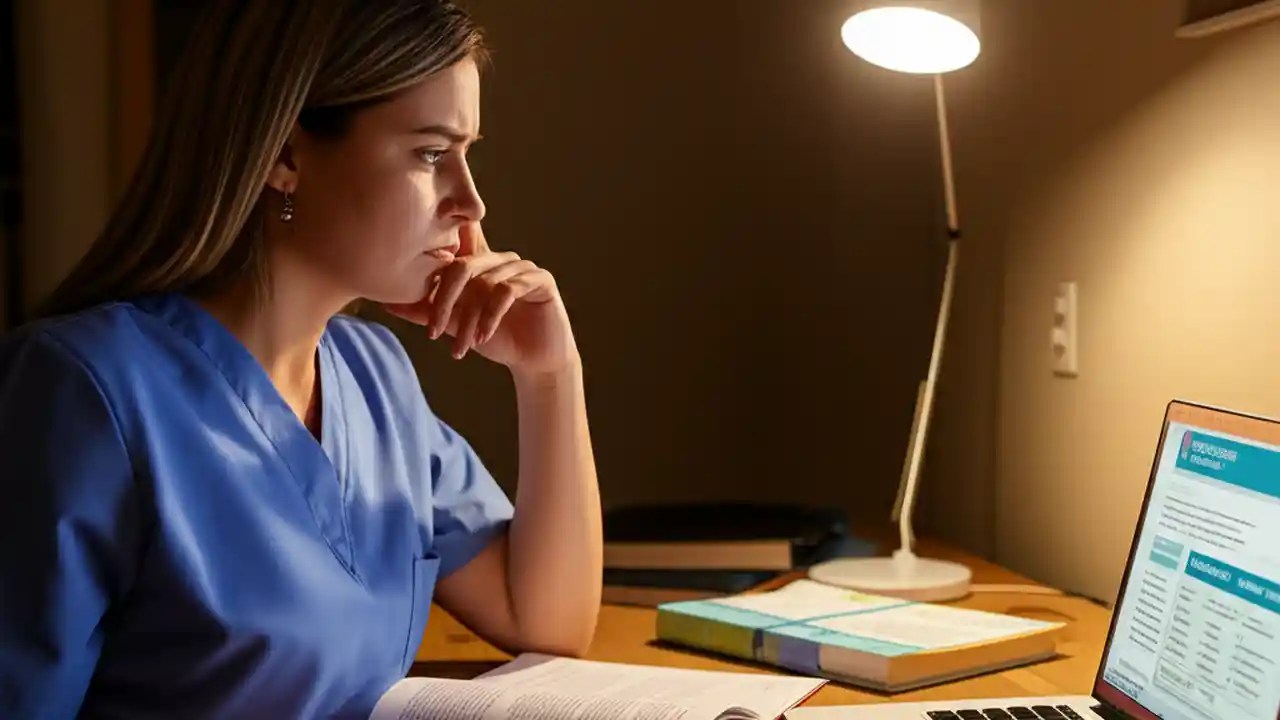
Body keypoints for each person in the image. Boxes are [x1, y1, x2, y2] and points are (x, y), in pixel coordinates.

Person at [0, 2, 602, 717]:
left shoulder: (378, 380)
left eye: (467, 154)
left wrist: (550, 375)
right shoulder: (83, 391)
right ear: (286, 156)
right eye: (432, 154)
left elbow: (548, 622)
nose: (471, 203)